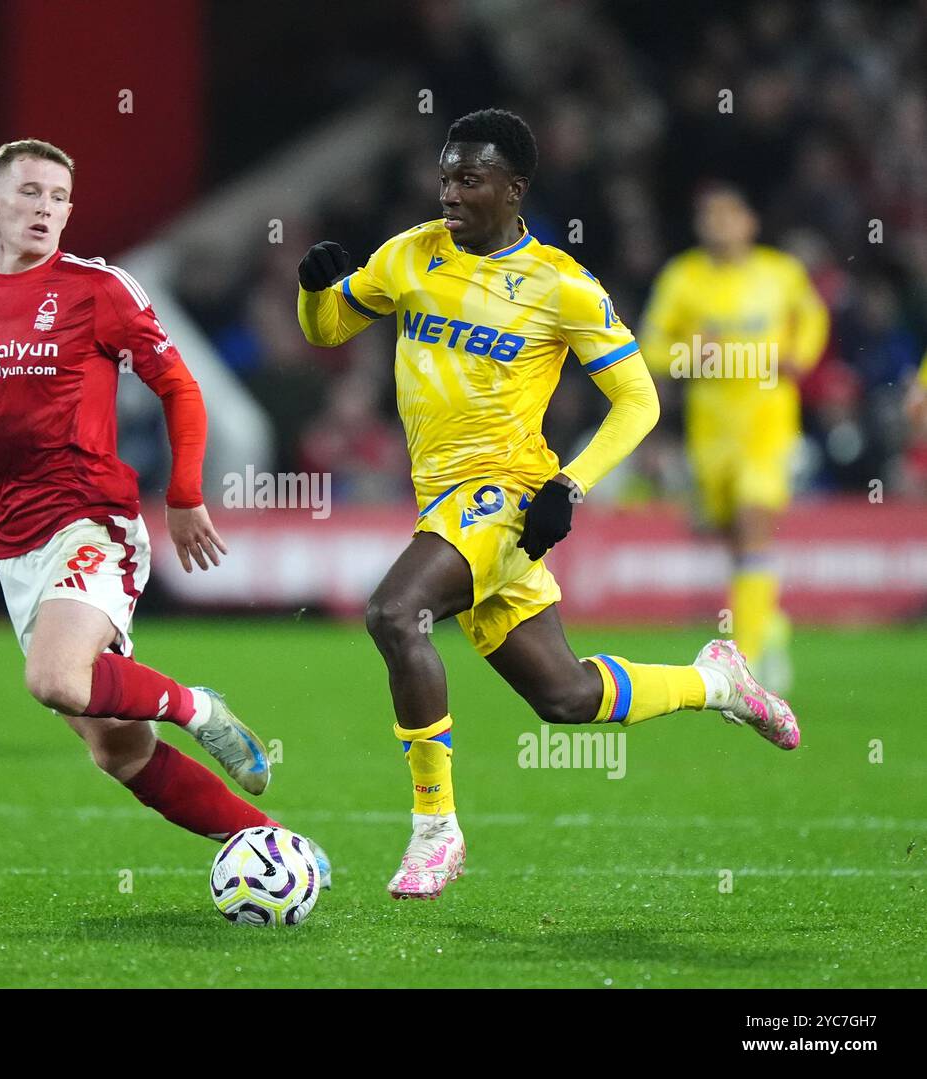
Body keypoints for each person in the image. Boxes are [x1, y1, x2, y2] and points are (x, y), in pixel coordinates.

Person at [296, 109, 797, 901]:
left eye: (470, 179)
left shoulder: (561, 284)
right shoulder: (410, 255)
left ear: (514, 189)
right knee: (565, 697)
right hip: (447, 501)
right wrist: (313, 288)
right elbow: (329, 329)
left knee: (395, 612)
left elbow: (638, 400)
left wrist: (572, 483)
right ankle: (718, 681)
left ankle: (436, 830)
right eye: (445, 175)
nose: (450, 192)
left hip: (507, 494)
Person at [0, 139, 329, 877]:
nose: (45, 209)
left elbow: (181, 385)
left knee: (55, 678)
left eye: (58, 197)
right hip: (15, 547)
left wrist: (184, 493)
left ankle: (193, 704)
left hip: (94, 521)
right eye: (29, 193)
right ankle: (276, 844)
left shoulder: (98, 288)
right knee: (117, 749)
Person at [640, 184, 829, 691]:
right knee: (735, 541)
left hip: (768, 425)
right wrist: (689, 355)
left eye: (728, 214)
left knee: (753, 524)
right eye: (708, 216)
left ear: (750, 222)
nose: (718, 224)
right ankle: (769, 626)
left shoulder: (780, 273)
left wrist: (801, 355)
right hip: (712, 430)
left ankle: (743, 658)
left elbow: (813, 317)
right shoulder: (683, 278)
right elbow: (651, 345)